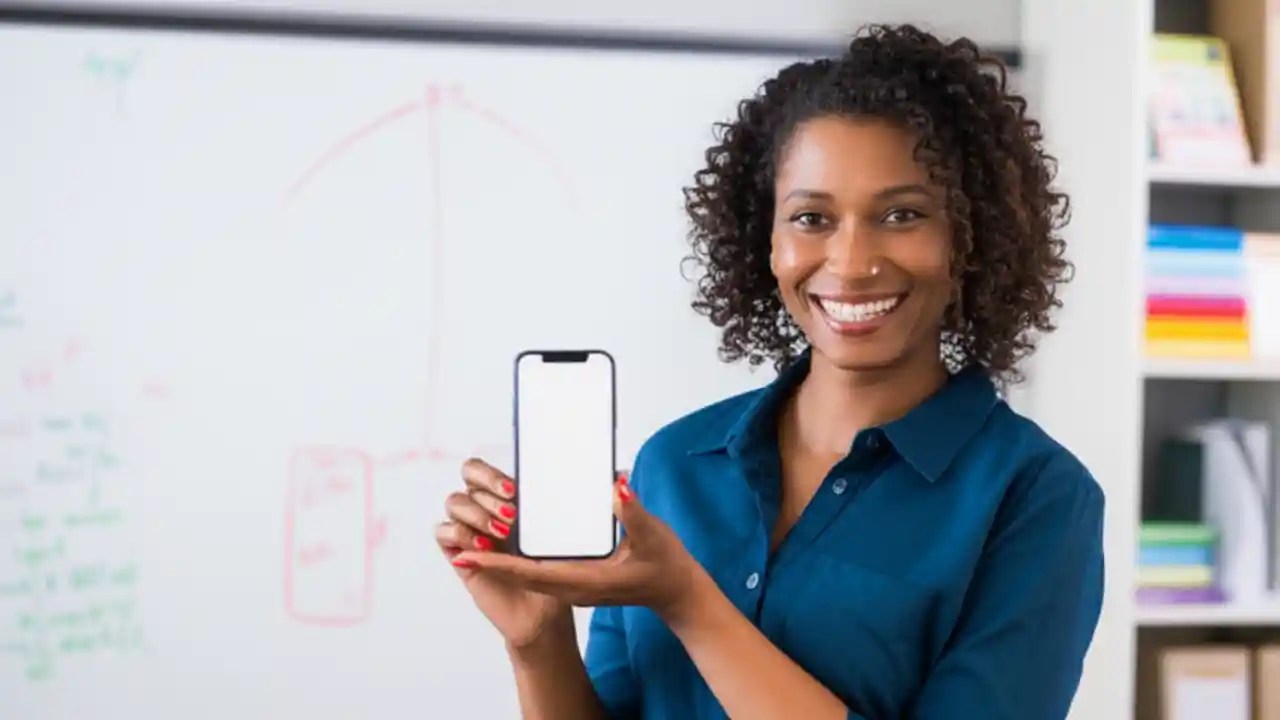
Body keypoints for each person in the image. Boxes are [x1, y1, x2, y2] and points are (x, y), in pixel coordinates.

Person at [435, 23, 1104, 720]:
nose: (850, 262)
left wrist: (689, 601)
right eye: (812, 217)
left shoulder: (1035, 497)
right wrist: (539, 641)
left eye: (903, 215)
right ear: (767, 242)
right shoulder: (673, 464)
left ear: (974, 236)